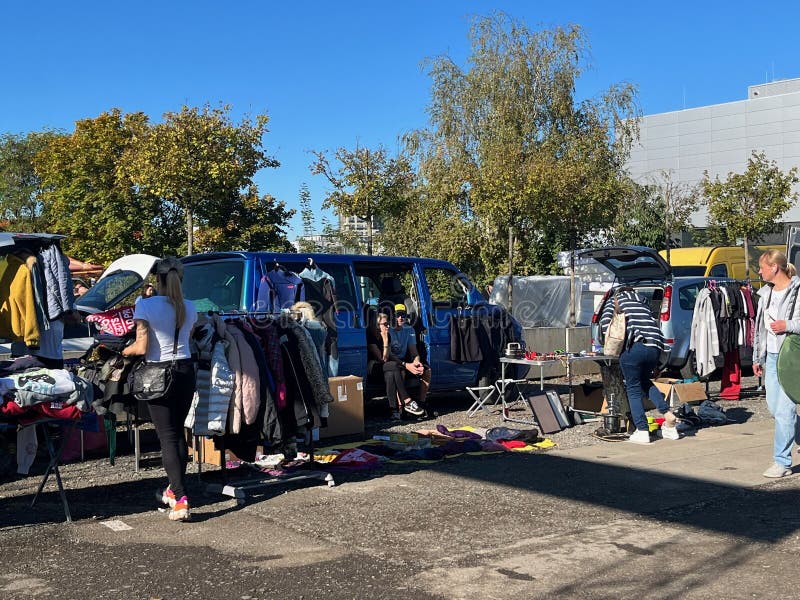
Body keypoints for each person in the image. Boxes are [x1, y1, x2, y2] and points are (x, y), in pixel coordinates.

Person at [121, 257, 198, 520]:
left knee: (166, 436)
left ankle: (180, 498)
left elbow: (141, 348)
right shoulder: (191, 306)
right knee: (177, 435)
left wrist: (123, 350)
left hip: (158, 375)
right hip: (186, 372)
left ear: (158, 279)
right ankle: (174, 491)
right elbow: (187, 340)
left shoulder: (145, 305)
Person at [600, 288, 679, 444]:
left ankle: (642, 430)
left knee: (633, 389)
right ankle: (668, 417)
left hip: (634, 348)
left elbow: (605, 326)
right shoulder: (643, 304)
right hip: (655, 349)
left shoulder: (615, 301)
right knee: (645, 382)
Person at [753, 249, 800, 478]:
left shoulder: (798, 291)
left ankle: (782, 462)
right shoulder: (765, 294)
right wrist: (757, 357)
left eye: (762, 267)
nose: (758, 271)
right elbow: (759, 329)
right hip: (770, 357)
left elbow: (796, 324)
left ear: (774, 268)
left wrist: (787, 325)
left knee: (785, 411)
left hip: (791, 359)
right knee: (774, 409)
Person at [366, 311, 422, 418]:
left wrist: (386, 338)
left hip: (386, 367)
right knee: (395, 366)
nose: (388, 326)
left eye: (388, 323)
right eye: (385, 324)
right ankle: (407, 400)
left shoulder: (388, 335)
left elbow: (387, 359)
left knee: (390, 375)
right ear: (377, 325)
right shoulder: (372, 337)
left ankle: (394, 411)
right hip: (374, 367)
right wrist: (385, 340)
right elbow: (382, 359)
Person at [388, 303, 431, 417]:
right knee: (399, 372)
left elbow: (413, 351)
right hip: (394, 361)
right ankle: (402, 407)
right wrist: (407, 365)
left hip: (404, 359)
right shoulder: (388, 330)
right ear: (392, 316)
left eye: (403, 315)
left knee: (426, 370)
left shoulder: (409, 329)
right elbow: (389, 354)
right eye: (397, 315)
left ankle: (421, 402)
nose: (400, 318)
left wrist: (416, 361)